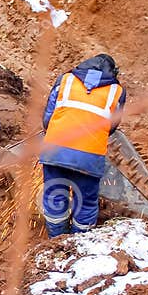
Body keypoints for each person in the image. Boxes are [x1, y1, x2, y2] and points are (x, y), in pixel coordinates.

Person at [40, 53, 126, 236]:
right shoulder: (116, 91)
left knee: (55, 196)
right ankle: (79, 242)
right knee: (86, 202)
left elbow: (48, 116)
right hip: (89, 155)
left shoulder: (66, 79)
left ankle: (56, 239)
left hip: (55, 149)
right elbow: (112, 126)